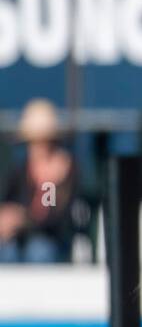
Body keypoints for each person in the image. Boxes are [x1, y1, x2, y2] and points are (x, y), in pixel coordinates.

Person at [0, 98, 77, 263]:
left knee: (39, 250)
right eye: (33, 142)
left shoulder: (64, 172)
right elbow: (8, 201)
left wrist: (24, 219)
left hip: (49, 239)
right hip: (18, 239)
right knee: (7, 251)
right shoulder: (21, 171)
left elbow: (53, 217)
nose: (38, 148)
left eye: (44, 142)